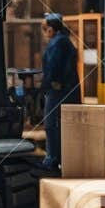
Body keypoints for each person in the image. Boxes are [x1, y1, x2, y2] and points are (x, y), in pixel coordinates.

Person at [39, 13, 78, 171]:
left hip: (58, 90)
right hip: (66, 88)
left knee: (51, 124)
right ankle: (59, 157)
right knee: (61, 124)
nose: (44, 32)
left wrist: (46, 85)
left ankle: (52, 158)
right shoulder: (64, 41)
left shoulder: (57, 43)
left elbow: (53, 67)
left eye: (45, 28)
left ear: (51, 29)